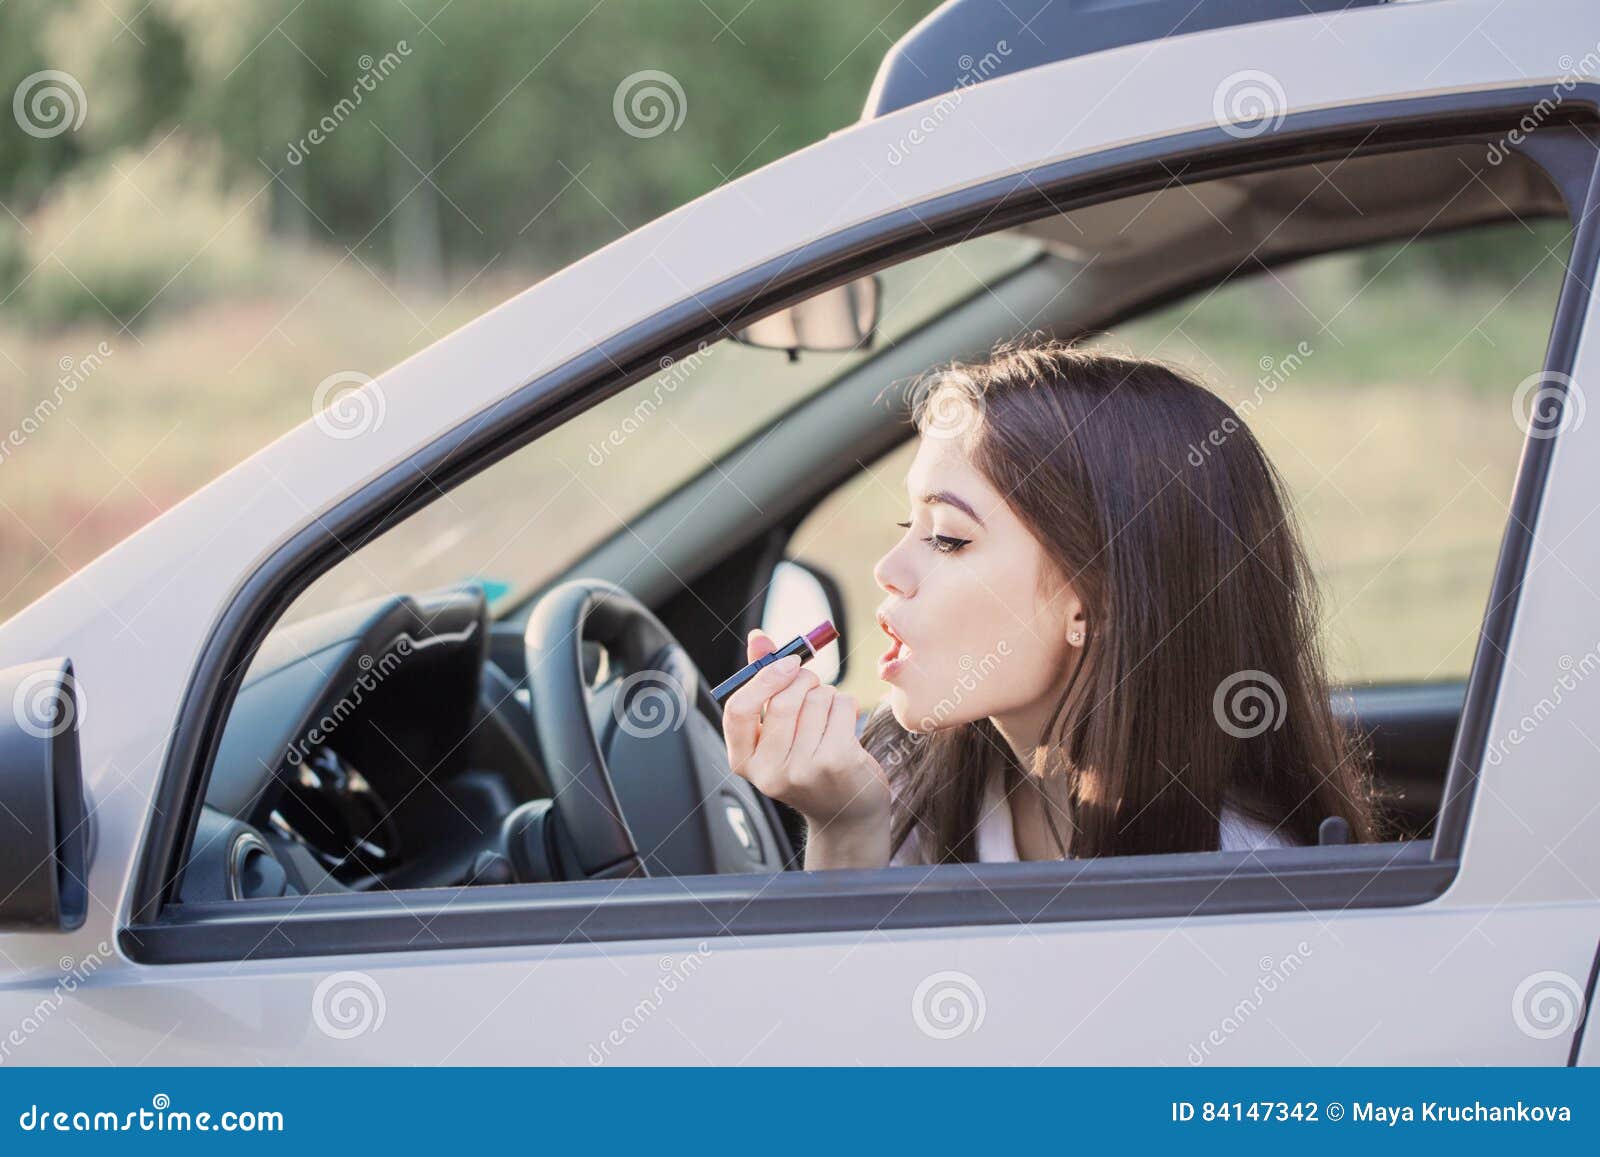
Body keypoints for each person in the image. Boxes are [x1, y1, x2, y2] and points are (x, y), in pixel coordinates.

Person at [721, 338, 1381, 869]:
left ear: (1095, 600)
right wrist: (845, 826)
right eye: (907, 528)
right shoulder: (898, 778)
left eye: (947, 539)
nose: (889, 570)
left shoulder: (1243, 875)